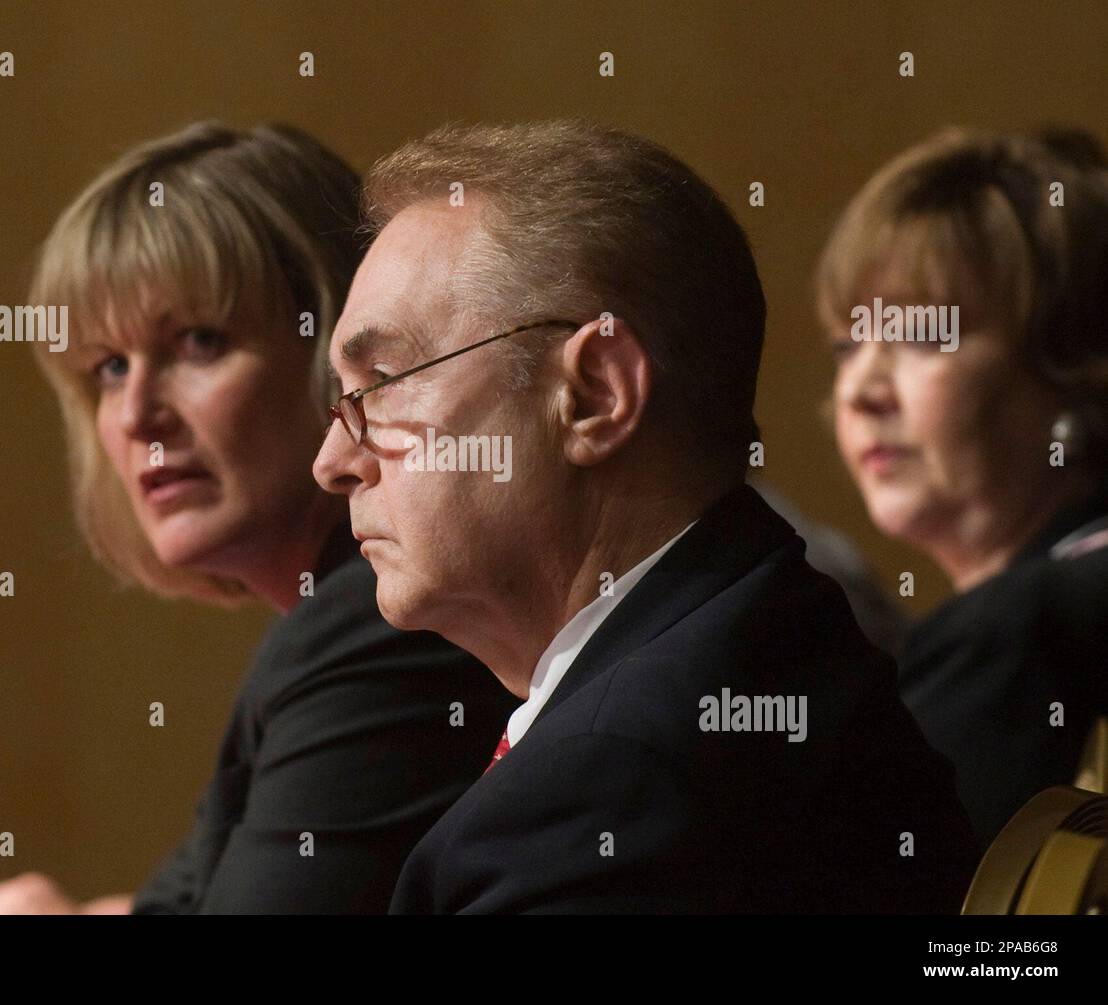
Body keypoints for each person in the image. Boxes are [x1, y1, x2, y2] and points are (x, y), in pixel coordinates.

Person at [313, 119, 977, 913]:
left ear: (595, 394)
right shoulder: (761, 639)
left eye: (382, 381)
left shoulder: (613, 783)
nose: (333, 461)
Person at [0, 122, 516, 914]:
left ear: (342, 350)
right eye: (109, 367)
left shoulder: (382, 621)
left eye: (198, 341)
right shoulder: (331, 615)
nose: (135, 414)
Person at [816, 127, 1108, 847]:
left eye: (921, 335)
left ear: (1074, 357)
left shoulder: (1020, 633)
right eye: (848, 346)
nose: (860, 391)